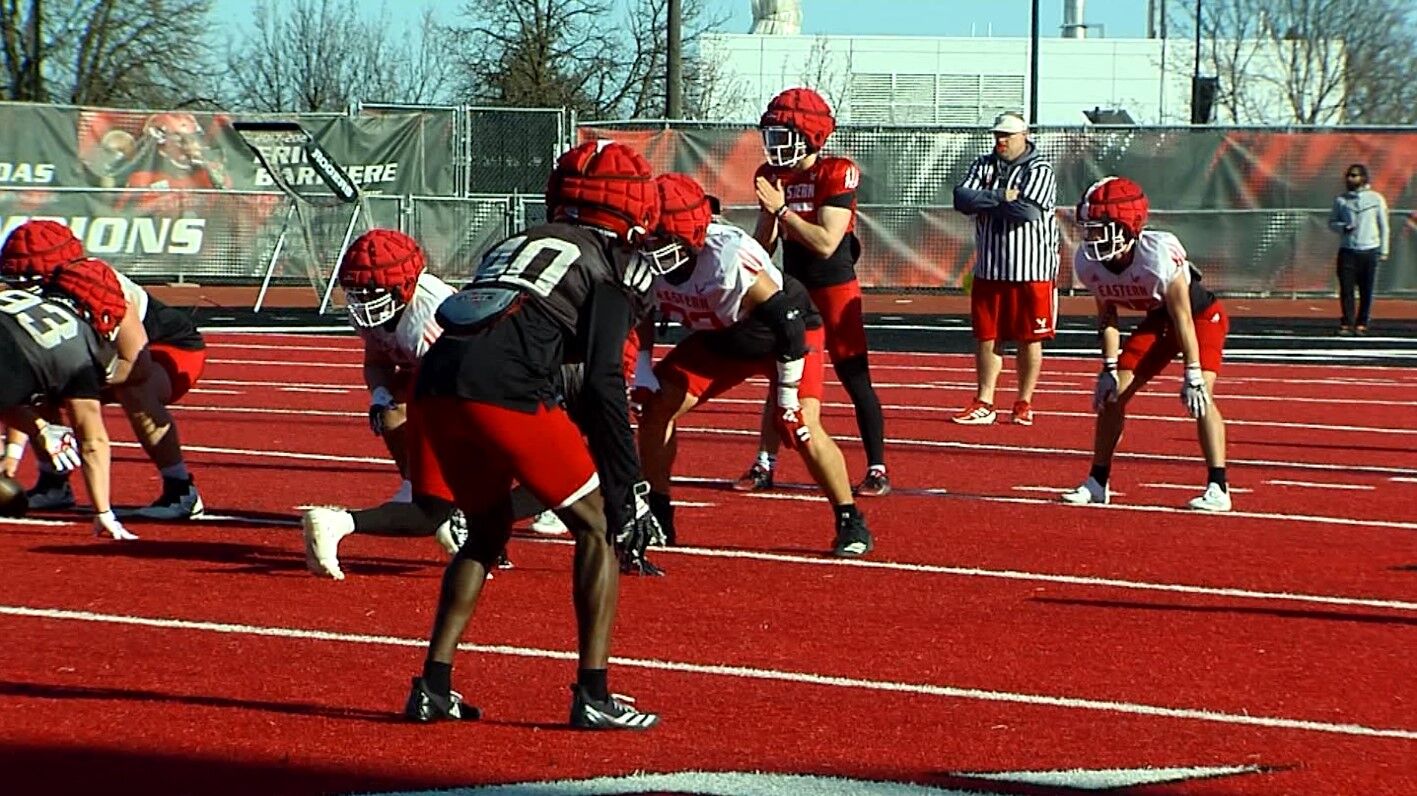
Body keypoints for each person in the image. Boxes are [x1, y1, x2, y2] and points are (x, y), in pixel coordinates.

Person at [401, 139, 663, 730]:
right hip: (502, 384)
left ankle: (433, 685)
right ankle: (594, 694)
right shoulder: (614, 260)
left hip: (436, 379)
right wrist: (629, 484)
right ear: (633, 206)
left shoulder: (515, 242)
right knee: (597, 526)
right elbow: (599, 378)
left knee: (488, 529)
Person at [635, 173, 873, 558]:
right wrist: (642, 365)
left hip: (783, 333)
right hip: (722, 337)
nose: (652, 246)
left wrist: (786, 395)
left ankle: (849, 518)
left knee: (799, 426)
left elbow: (786, 317)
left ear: (692, 232)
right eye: (650, 234)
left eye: (663, 236)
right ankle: (659, 511)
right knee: (656, 405)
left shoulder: (725, 254)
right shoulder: (641, 255)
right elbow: (640, 309)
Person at [0, 220, 206, 519]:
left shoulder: (98, 284)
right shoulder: (35, 287)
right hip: (103, 356)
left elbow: (136, 362)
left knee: (133, 388)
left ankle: (181, 490)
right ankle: (53, 482)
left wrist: (83, 385)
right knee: (44, 382)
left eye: (27, 278)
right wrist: (12, 454)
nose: (20, 288)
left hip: (164, 348)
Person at [299, 228, 473, 580]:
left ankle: (448, 505)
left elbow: (452, 393)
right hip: (429, 375)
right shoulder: (378, 312)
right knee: (390, 413)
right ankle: (424, 492)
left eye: (373, 293)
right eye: (357, 292)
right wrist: (380, 396)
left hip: (457, 380)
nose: (363, 302)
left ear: (404, 286)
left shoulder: (430, 317)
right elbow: (377, 360)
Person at [742, 86, 890, 497]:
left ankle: (877, 466)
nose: (774, 146)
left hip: (835, 290)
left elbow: (826, 242)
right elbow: (764, 245)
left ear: (810, 135)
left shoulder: (834, 171)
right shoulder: (771, 175)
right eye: (769, 135)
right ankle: (764, 462)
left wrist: (783, 209)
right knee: (782, 376)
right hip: (796, 290)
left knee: (854, 377)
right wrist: (769, 217)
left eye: (782, 135)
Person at [1061, 176, 1232, 512]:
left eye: (1100, 228)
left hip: (1199, 318)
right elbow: (1107, 318)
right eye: (1089, 228)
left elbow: (1183, 316)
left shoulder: (1156, 254)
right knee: (1114, 396)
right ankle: (1098, 482)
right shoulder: (1090, 262)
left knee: (1200, 397)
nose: (1092, 236)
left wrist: (1193, 372)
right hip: (1158, 320)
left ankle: (1218, 486)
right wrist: (1108, 368)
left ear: (1128, 225)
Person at [0, 258, 139, 539]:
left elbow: (6, 392)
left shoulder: (16, 296)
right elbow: (92, 441)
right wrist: (103, 512)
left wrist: (39, 429)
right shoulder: (78, 348)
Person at [950, 111, 1059, 426]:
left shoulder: (1038, 169)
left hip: (1032, 268)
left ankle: (1024, 401)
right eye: (997, 135)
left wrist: (983, 201)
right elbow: (960, 198)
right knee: (987, 336)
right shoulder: (983, 165)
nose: (1001, 141)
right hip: (990, 267)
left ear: (1023, 136)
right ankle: (984, 401)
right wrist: (999, 195)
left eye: (1007, 135)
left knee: (1030, 338)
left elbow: (1026, 211)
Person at [1328, 163, 1390, 335]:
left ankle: (1362, 321)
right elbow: (1332, 222)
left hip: (1369, 250)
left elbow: (1384, 226)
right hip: (1348, 250)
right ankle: (1347, 321)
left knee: (1366, 289)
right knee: (1346, 289)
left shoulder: (1376, 199)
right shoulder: (1341, 200)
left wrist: (1383, 250)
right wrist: (1343, 227)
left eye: (1354, 175)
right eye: (1348, 175)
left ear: (1363, 178)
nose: (1350, 178)